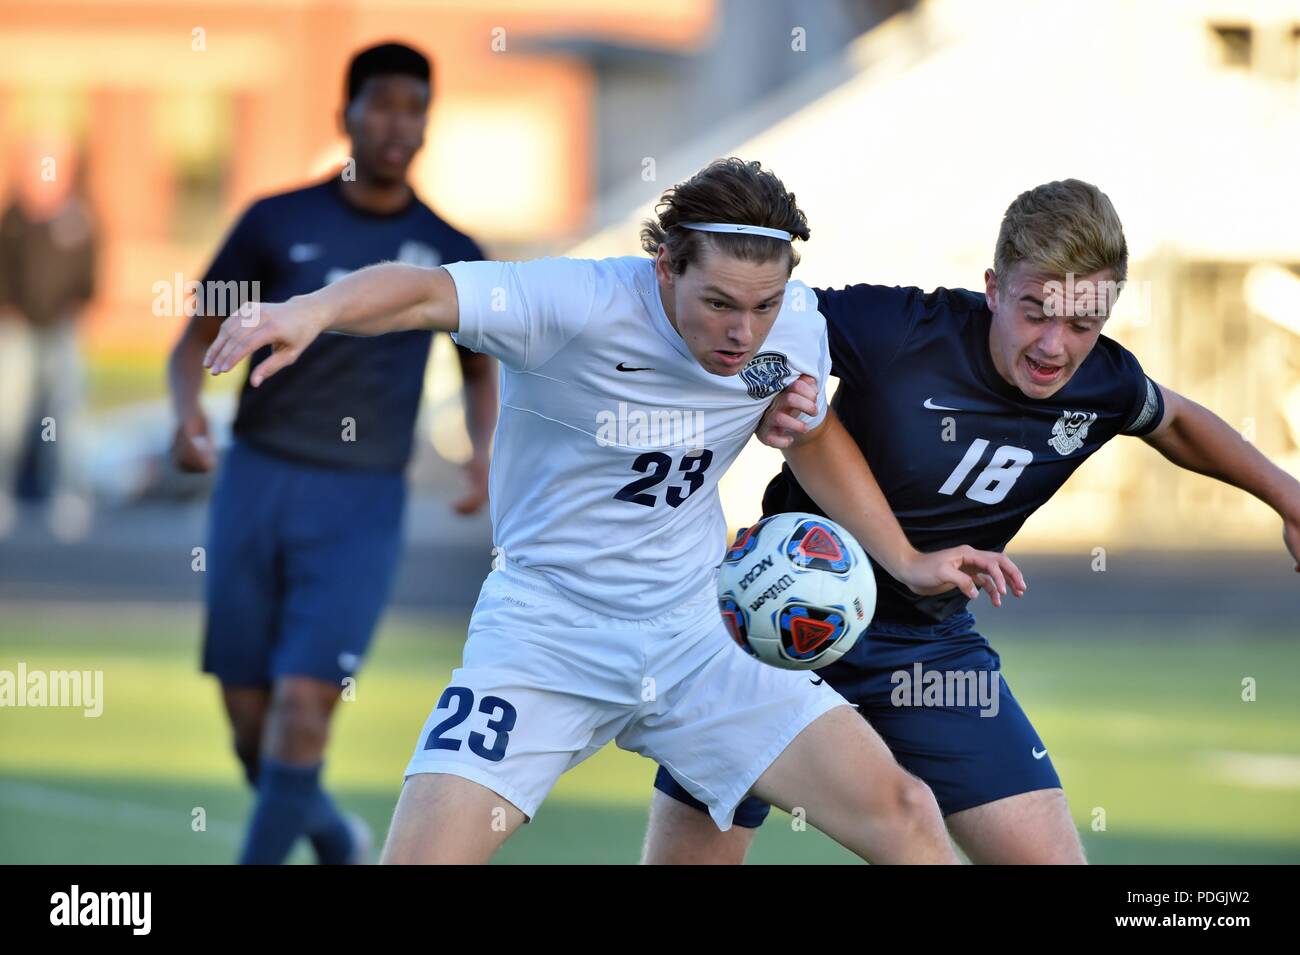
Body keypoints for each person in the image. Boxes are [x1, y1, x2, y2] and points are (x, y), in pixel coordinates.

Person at [203, 157, 1025, 864]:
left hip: (701, 634)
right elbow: (422, 293)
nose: (744, 332)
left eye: (764, 304)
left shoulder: (793, 326)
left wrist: (908, 561)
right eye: (720, 302)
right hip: (544, 637)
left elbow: (811, 437)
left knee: (909, 816)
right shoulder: (573, 303)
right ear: (665, 264)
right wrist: (309, 310)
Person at [644, 178, 1300, 864]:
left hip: (926, 649)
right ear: (993, 287)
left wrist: (1288, 496)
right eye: (1035, 312)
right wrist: (771, 391)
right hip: (771, 624)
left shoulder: (1104, 383)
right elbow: (751, 324)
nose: (1054, 345)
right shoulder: (899, 327)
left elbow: (1178, 421)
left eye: (1082, 323)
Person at [167, 42, 496, 864]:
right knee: (253, 726)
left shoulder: (451, 247)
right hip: (257, 481)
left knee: (306, 707)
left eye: (415, 108)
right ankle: (334, 837)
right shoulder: (274, 220)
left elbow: (482, 368)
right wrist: (187, 416)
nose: (398, 123)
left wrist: (483, 455)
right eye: (381, 104)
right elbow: (194, 335)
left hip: (362, 503)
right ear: (343, 114)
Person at [0, 134, 97, 542]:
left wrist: (75, 308)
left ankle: (67, 494)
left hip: (62, 329)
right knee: (9, 414)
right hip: (19, 328)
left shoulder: (78, 218)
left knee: (65, 416)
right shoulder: (16, 218)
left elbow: (89, 276)